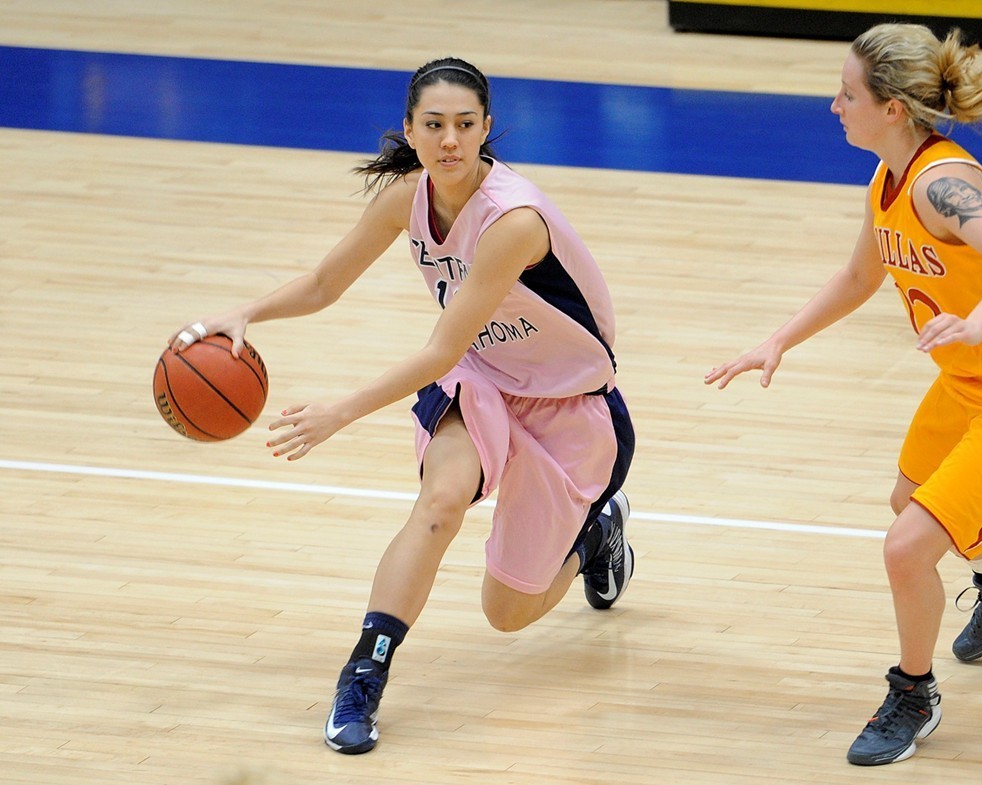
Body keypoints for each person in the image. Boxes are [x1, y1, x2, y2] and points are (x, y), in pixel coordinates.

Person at [168, 57, 635, 755]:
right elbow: (326, 281)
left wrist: (340, 410)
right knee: (441, 502)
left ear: (486, 129)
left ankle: (597, 535)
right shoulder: (404, 198)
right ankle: (363, 674)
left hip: (569, 406)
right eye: (435, 125)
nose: (450, 140)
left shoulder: (512, 221)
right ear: (410, 131)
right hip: (481, 377)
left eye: (465, 125)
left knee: (506, 613)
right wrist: (247, 312)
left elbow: (440, 348)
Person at [705, 23, 982, 767]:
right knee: (907, 499)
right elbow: (859, 276)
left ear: (894, 109)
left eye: (847, 94)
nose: (834, 106)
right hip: (967, 384)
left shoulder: (946, 183)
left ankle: (914, 691)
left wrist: (979, 320)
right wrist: (778, 339)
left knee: (907, 547)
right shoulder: (887, 179)